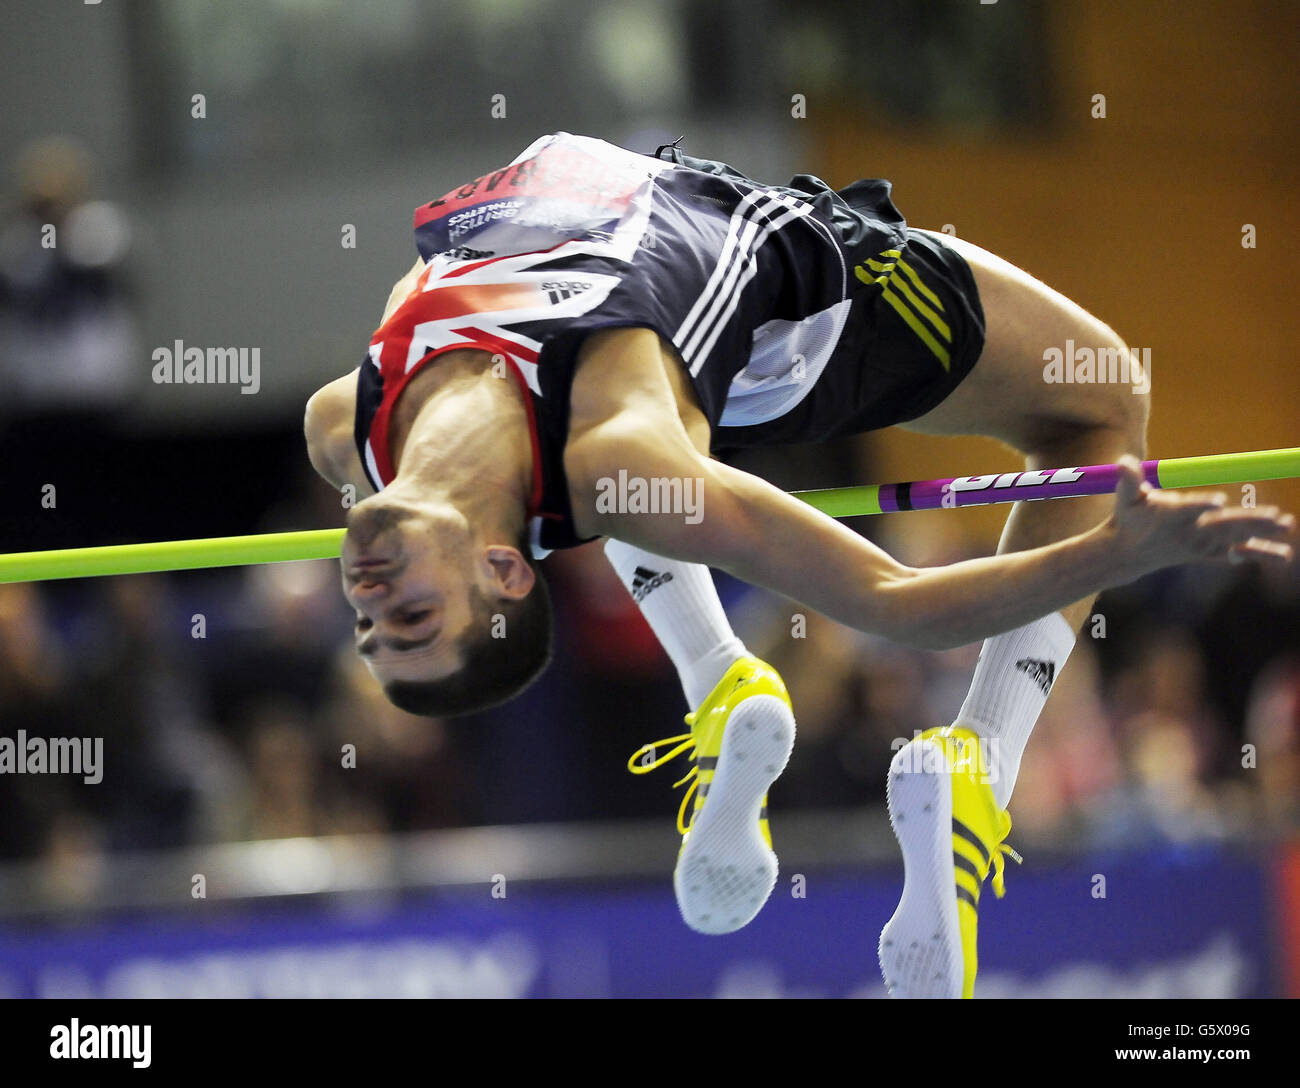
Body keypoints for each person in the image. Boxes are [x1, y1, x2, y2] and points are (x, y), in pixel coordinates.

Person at [303, 132, 1293, 996]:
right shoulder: (618, 447)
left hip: (643, 228)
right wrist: (1114, 550)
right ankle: (975, 771)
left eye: (372, 630)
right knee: (1098, 396)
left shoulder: (348, 427)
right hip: (797, 308)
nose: (373, 602)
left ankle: (723, 684)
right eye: (415, 623)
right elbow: (895, 601)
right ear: (503, 572)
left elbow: (500, 489)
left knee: (605, 485)